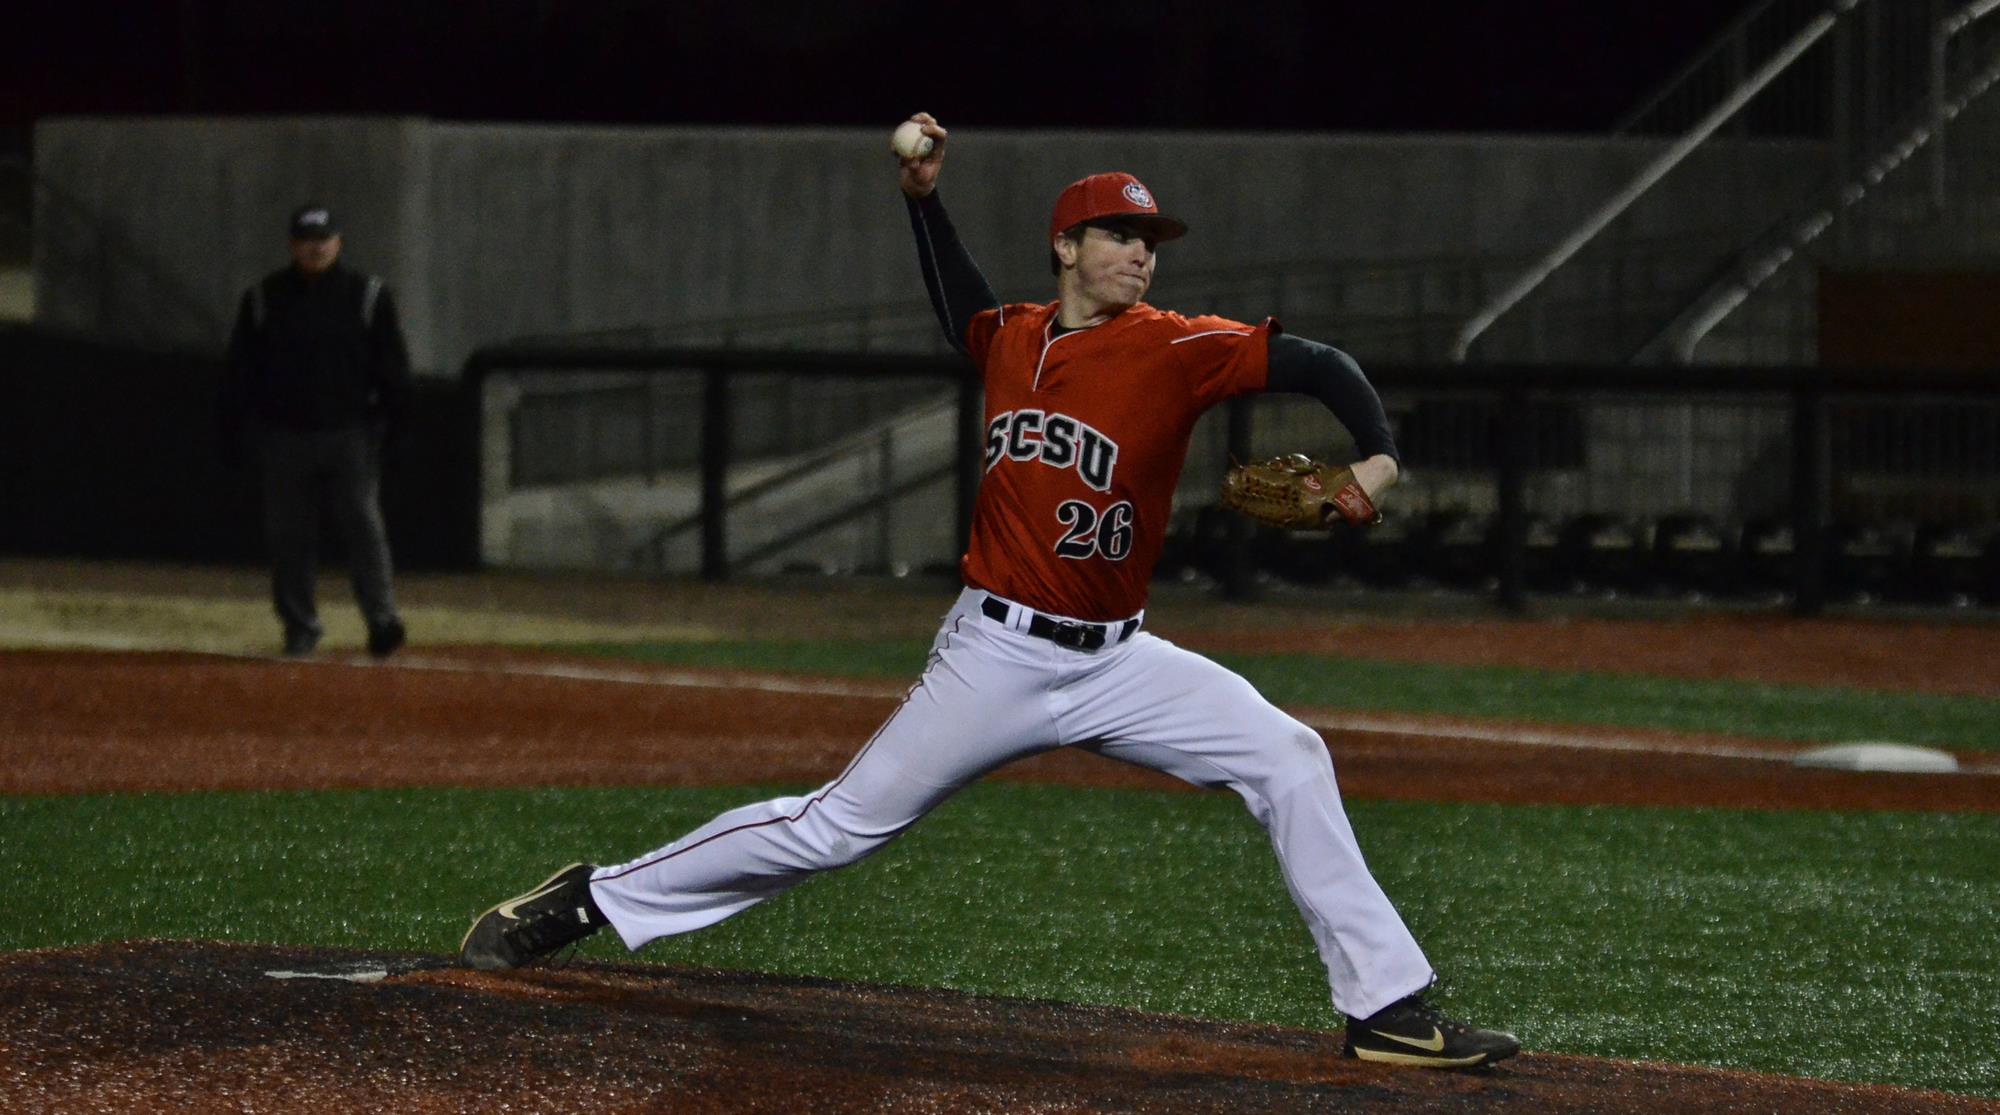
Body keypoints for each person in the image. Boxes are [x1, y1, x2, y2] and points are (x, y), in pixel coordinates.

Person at [460, 114, 1519, 1069]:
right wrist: (922, 197)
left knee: (1288, 754)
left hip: (1118, 658)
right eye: (1114, 234)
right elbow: (956, 299)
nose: (1138, 253)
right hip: (995, 654)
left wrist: (1373, 459)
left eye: (1147, 240)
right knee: (835, 827)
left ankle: (1382, 1006)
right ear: (1064, 247)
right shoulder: (1010, 337)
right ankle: (591, 896)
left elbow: (1322, 363)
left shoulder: (1177, 347)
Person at [221, 203, 410, 659]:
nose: (315, 248)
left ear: (338, 242)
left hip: (350, 433)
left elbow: (393, 366)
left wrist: (392, 424)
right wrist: (241, 429)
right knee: (290, 536)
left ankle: (382, 620)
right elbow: (241, 371)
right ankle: (299, 626)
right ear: (292, 244)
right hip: (284, 435)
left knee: (364, 527)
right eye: (307, 240)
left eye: (323, 239)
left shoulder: (367, 295)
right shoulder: (264, 298)